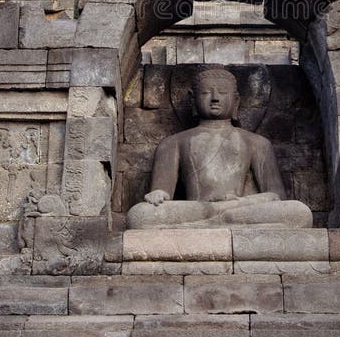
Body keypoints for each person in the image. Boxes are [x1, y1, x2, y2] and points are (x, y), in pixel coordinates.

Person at [126, 67, 313, 229]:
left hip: (240, 208)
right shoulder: (172, 143)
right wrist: (159, 194)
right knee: (139, 215)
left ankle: (215, 221)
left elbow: (277, 196)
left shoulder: (257, 143)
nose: (215, 98)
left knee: (299, 212)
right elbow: (161, 194)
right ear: (193, 100)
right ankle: (219, 220)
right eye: (206, 93)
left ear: (236, 100)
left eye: (223, 93)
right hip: (198, 209)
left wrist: (237, 203)